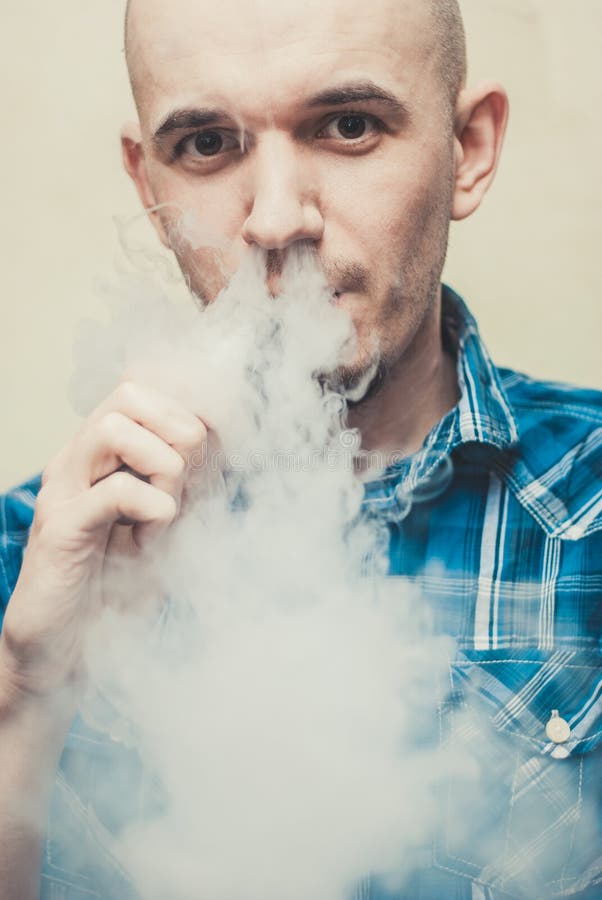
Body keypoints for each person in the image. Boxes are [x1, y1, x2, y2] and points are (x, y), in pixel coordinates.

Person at [0, 0, 600, 897]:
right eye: (206, 144)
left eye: (349, 126)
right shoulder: (34, 566)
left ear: (468, 149)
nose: (275, 221)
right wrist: (25, 695)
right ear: (147, 182)